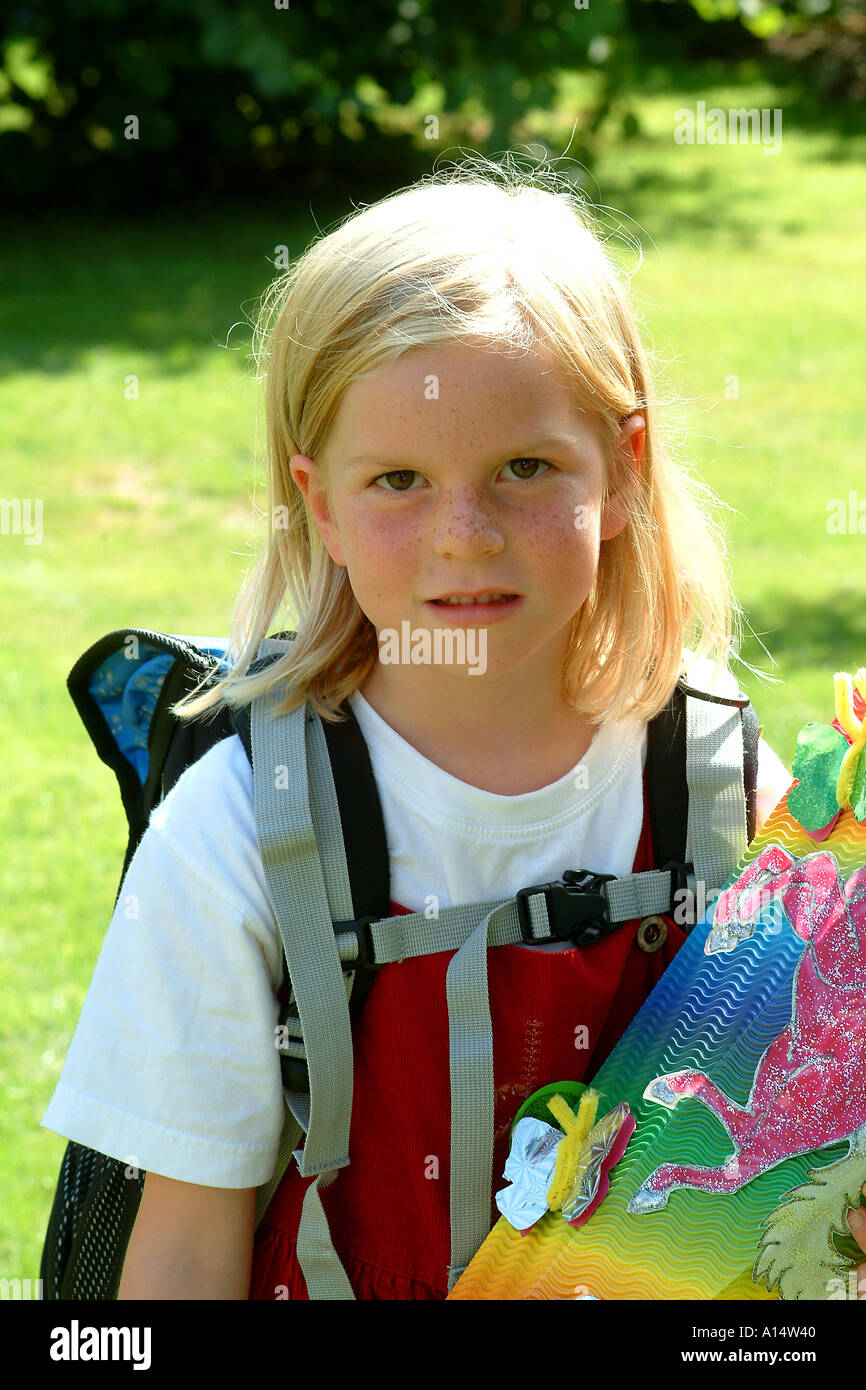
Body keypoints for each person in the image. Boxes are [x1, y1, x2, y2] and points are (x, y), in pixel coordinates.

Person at [43, 156, 859, 1302]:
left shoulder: (720, 780)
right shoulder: (240, 828)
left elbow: (788, 1159)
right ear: (316, 500)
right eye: (397, 481)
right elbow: (180, 1253)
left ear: (620, 472)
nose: (464, 533)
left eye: (524, 468)